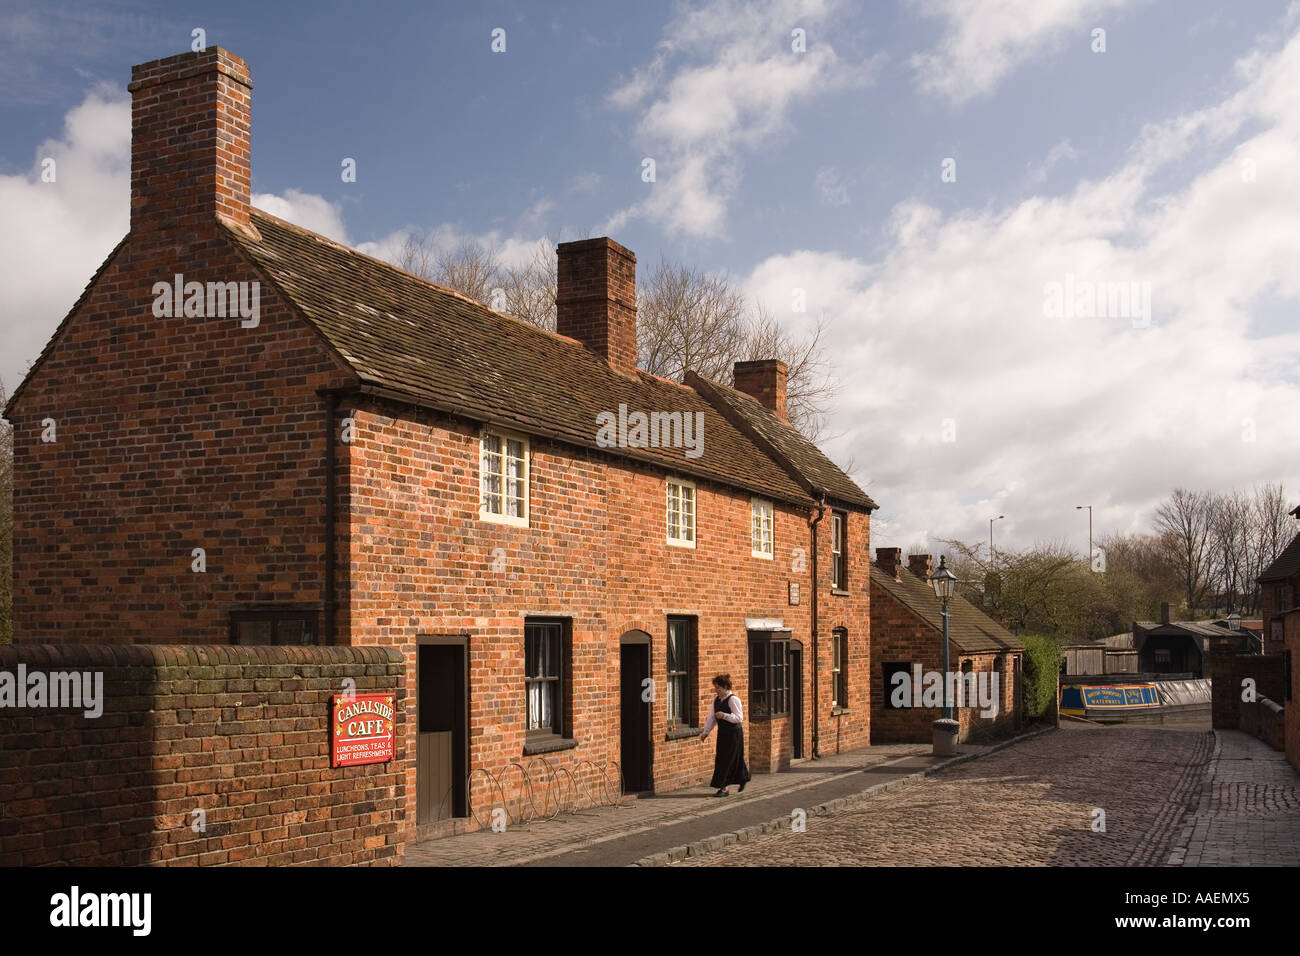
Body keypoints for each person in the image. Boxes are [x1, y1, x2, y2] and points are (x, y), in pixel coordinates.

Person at [698, 674, 750, 796]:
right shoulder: (716, 700)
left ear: (725, 687)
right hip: (723, 733)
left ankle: (724, 788)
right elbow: (711, 717)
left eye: (718, 688)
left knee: (728, 759)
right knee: (724, 758)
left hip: (734, 733)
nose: (716, 690)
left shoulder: (733, 699)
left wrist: (724, 715)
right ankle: (743, 777)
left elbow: (739, 718)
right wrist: (706, 732)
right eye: (715, 688)